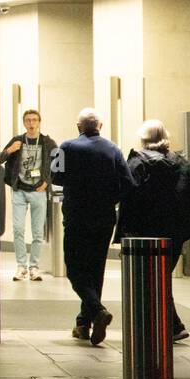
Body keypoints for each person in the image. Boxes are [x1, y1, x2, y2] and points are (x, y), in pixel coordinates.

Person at [116, 119, 190, 342]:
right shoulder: (181, 163)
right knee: (161, 277)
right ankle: (170, 326)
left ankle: (171, 327)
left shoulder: (137, 163)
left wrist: (124, 232)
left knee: (152, 280)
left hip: (145, 232)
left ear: (144, 139)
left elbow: (130, 198)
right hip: (175, 231)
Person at [53, 108, 134, 346]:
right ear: (101, 126)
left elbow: (56, 177)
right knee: (96, 268)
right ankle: (83, 323)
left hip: (77, 216)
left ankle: (97, 311)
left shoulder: (64, 147)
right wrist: (111, 199)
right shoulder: (113, 149)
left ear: (78, 127)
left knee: (75, 268)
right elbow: (128, 183)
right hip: (104, 217)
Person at [0, 108, 58, 281]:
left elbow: (59, 163)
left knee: (37, 232)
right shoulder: (17, 140)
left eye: (34, 120)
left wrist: (47, 181)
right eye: (28, 120)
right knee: (18, 229)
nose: (31, 123)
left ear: (39, 122)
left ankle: (34, 267)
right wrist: (10, 150)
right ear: (24, 123)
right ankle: (21, 266)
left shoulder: (48, 142)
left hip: (38, 190)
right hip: (19, 190)